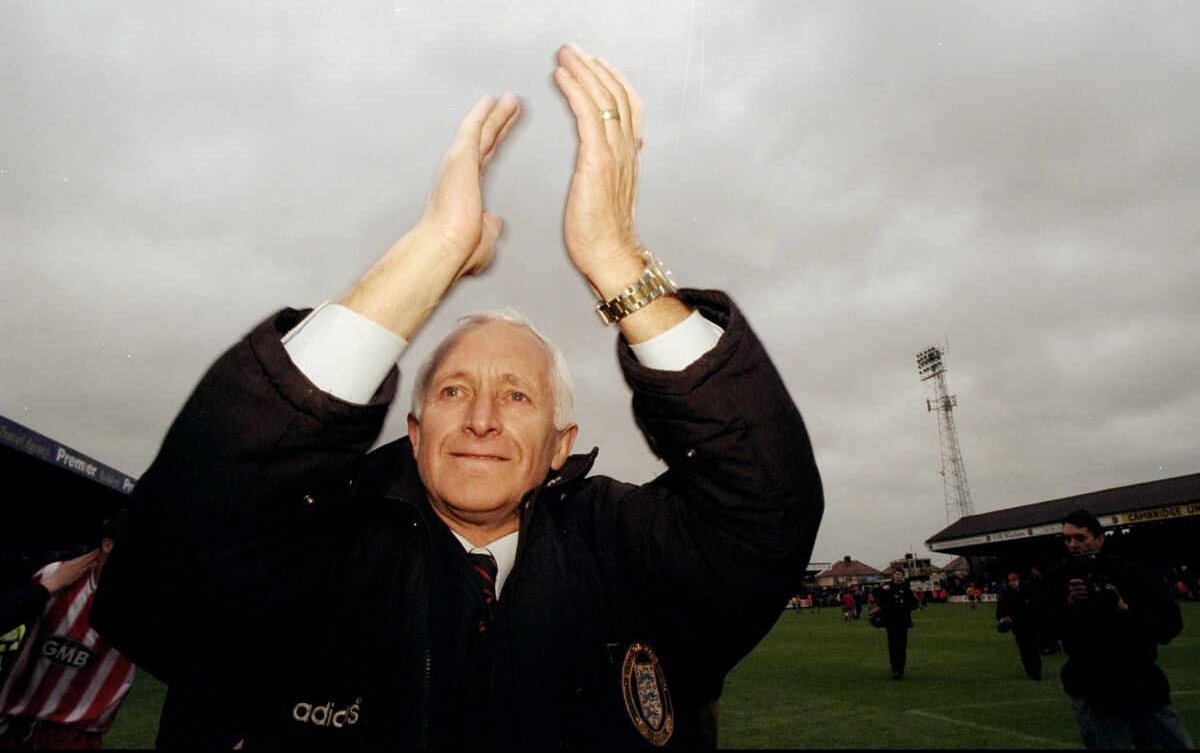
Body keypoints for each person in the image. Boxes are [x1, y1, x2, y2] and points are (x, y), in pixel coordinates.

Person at [91, 44, 824, 749]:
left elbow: (768, 507)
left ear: (560, 444)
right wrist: (431, 253)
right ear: (413, 432)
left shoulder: (627, 549)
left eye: (516, 397)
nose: (480, 419)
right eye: (452, 390)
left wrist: (614, 258)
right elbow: (183, 536)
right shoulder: (315, 548)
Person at [1038, 508, 1193, 749]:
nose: (1072, 545)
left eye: (1080, 538)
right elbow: (1042, 631)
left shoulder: (1130, 573)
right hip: (1093, 687)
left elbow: (1171, 624)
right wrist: (1069, 605)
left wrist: (1124, 610)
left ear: (1099, 539)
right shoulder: (1056, 578)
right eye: (1067, 538)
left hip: (1142, 684)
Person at [0, 512, 135, 749]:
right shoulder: (55, 576)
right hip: (16, 723)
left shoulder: (148, 600)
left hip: (75, 734)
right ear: (107, 544)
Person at [871, 570, 917, 680]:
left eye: (900, 574)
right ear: (893, 576)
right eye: (896, 574)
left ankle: (901, 668)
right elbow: (875, 594)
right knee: (892, 643)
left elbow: (913, 604)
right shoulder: (887, 587)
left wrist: (903, 604)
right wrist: (882, 589)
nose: (897, 576)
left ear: (903, 577)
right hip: (890, 620)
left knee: (902, 644)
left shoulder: (906, 589)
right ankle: (895, 669)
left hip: (903, 620)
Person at [995, 572, 1041, 680]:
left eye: (1014, 580)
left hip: (1031, 626)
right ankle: (1030, 670)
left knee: (1034, 648)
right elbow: (999, 612)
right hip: (1017, 627)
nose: (1013, 583)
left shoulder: (1028, 592)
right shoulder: (1005, 596)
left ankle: (1037, 671)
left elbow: (1037, 606)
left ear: (1018, 581)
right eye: (1010, 581)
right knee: (1024, 650)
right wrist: (1004, 617)